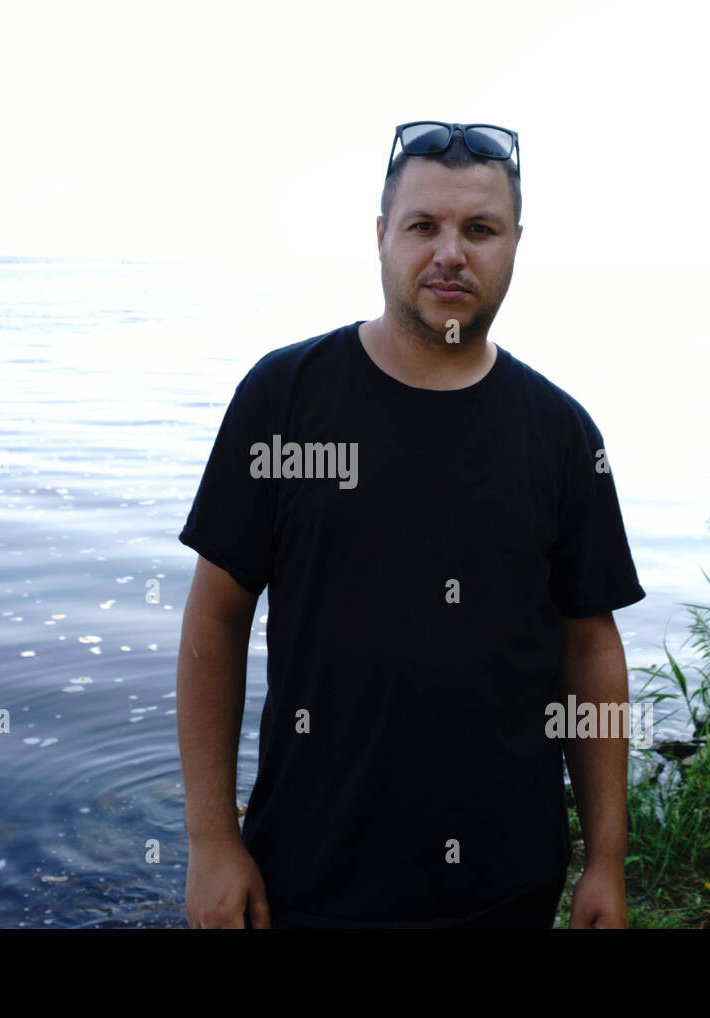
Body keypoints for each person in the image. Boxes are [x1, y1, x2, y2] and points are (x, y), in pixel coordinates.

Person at [176, 121, 646, 929]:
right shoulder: (286, 397)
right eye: (424, 225)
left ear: (516, 246)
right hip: (307, 875)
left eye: (480, 229)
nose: (451, 252)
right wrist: (213, 842)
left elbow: (591, 647)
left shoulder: (562, 433)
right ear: (382, 238)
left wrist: (604, 861)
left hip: (507, 881)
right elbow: (216, 619)